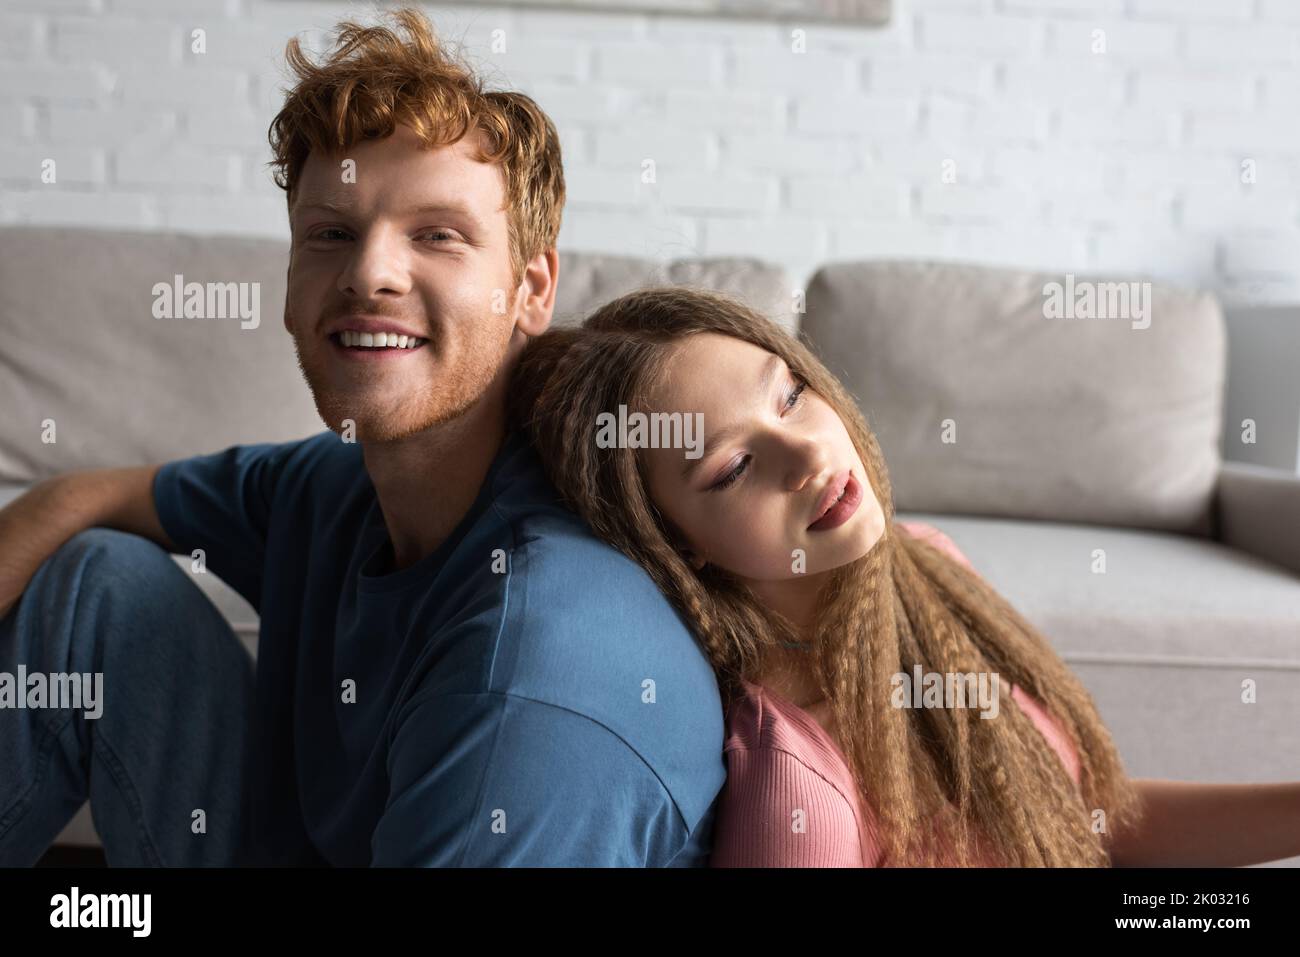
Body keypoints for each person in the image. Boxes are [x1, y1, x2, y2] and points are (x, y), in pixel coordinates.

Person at [0, 8, 725, 867]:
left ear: (532, 289)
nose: (368, 272)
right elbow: (90, 493)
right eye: (331, 234)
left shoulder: (535, 677)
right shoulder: (337, 488)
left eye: (437, 235)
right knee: (103, 582)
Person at [508, 285, 1300, 867]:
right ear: (681, 549)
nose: (812, 453)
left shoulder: (926, 559)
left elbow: (1082, 818)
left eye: (790, 395)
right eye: (737, 465)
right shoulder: (798, 783)